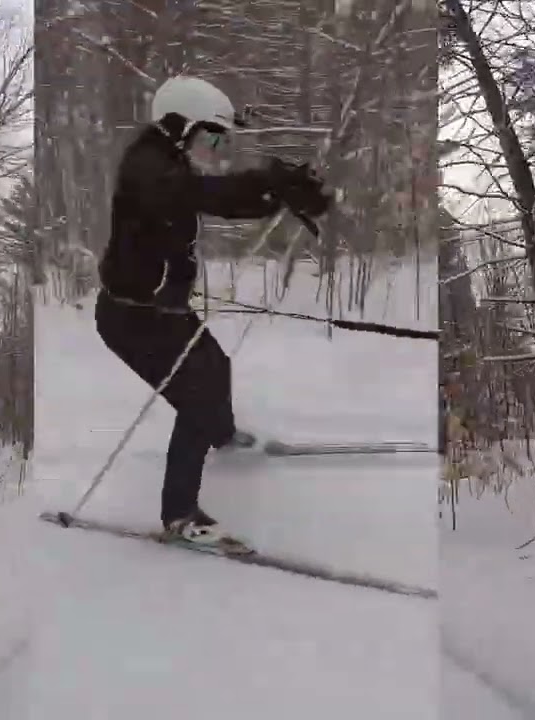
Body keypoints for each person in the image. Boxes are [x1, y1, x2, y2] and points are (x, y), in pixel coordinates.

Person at [96, 75, 331, 547]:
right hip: (131, 317)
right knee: (197, 397)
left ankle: (221, 436)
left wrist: (274, 193)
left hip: (160, 309)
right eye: (212, 137)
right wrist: (266, 183)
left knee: (215, 366)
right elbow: (196, 194)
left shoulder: (168, 160)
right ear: (179, 124)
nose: (216, 149)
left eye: (221, 140)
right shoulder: (147, 168)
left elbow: (212, 196)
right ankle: (180, 515)